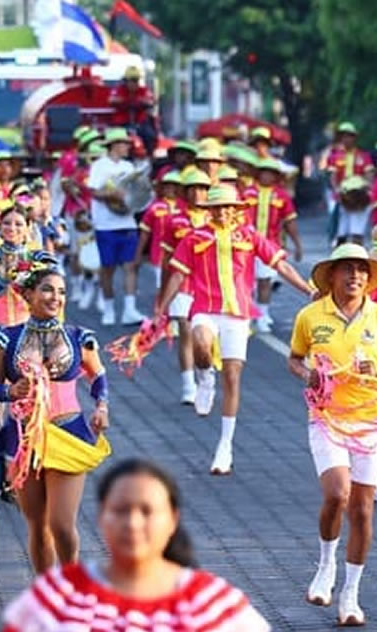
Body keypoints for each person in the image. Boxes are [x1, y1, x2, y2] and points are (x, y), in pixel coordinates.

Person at [0, 458, 269, 632]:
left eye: (147, 511)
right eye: (121, 511)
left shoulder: (210, 606)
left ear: (173, 519)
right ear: (101, 516)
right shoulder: (53, 603)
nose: (133, 523)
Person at [289, 244, 377, 625]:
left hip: (370, 420)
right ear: (331, 275)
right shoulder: (310, 316)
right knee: (337, 494)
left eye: (362, 271)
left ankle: (350, 595)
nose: (355, 277)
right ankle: (325, 565)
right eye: (347, 270)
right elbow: (295, 358)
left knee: (363, 511)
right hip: (327, 417)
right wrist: (308, 375)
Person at [157, 185, 313, 475]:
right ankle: (204, 378)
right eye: (217, 207)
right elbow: (177, 274)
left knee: (232, 376)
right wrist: (161, 308)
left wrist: (308, 291)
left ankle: (224, 446)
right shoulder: (195, 237)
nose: (223, 212)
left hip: (238, 314)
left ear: (237, 209)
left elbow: (281, 265)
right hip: (205, 307)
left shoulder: (249, 235)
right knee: (200, 343)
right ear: (209, 210)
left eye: (229, 207)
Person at [0, 261, 111, 573]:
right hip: (23, 438)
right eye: (48, 290)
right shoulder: (6, 339)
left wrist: (102, 406)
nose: (56, 297)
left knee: (61, 524)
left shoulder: (78, 337)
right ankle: (47, 594)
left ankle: (71, 584)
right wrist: (11, 392)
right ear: (28, 294)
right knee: (38, 525)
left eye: (62, 292)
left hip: (68, 432)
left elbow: (97, 376)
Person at [158, 169, 213, 405]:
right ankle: (188, 385)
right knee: (185, 331)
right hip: (182, 284)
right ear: (184, 192)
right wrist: (162, 299)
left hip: (210, 288)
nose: (197, 193)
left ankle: (204, 376)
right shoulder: (175, 221)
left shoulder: (216, 220)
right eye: (192, 188)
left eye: (202, 188)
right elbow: (166, 260)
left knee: (205, 339)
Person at [87, 128, 145, 327]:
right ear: (114, 145)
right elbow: (94, 192)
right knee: (108, 269)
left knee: (130, 266)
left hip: (127, 222)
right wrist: (113, 195)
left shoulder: (129, 167)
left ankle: (130, 310)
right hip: (105, 225)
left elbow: (138, 191)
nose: (127, 147)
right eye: (124, 143)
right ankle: (109, 308)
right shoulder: (99, 166)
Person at [245, 158, 303, 333]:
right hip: (245, 245)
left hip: (270, 246)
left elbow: (290, 222)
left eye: (271, 173)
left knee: (265, 282)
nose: (267, 176)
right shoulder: (246, 193)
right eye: (263, 171)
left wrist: (298, 245)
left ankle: (262, 315)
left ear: (276, 176)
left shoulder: (282, 195)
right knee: (246, 283)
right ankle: (247, 316)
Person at [0, 205, 42, 330]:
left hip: (28, 326)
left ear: (28, 226)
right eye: (7, 223)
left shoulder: (37, 258)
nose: (12, 228)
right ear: (0, 225)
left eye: (18, 224)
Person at [109, 65, 158, 152]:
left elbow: (151, 100)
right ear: (125, 81)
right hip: (122, 123)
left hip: (140, 122)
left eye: (136, 81)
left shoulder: (143, 90)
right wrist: (126, 101)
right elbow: (112, 99)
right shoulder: (119, 90)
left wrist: (141, 102)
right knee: (114, 137)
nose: (134, 84)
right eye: (131, 81)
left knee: (150, 135)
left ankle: (150, 156)